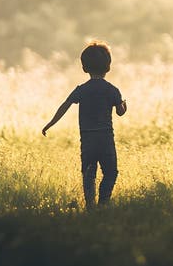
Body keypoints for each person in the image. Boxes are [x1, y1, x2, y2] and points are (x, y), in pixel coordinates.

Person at [42, 41, 127, 209]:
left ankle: (90, 206)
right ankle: (103, 203)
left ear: (84, 67)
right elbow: (120, 112)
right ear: (108, 67)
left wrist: (50, 124)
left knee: (88, 173)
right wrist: (124, 104)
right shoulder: (112, 90)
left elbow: (64, 106)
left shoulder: (81, 90)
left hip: (87, 139)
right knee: (111, 172)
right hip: (105, 139)